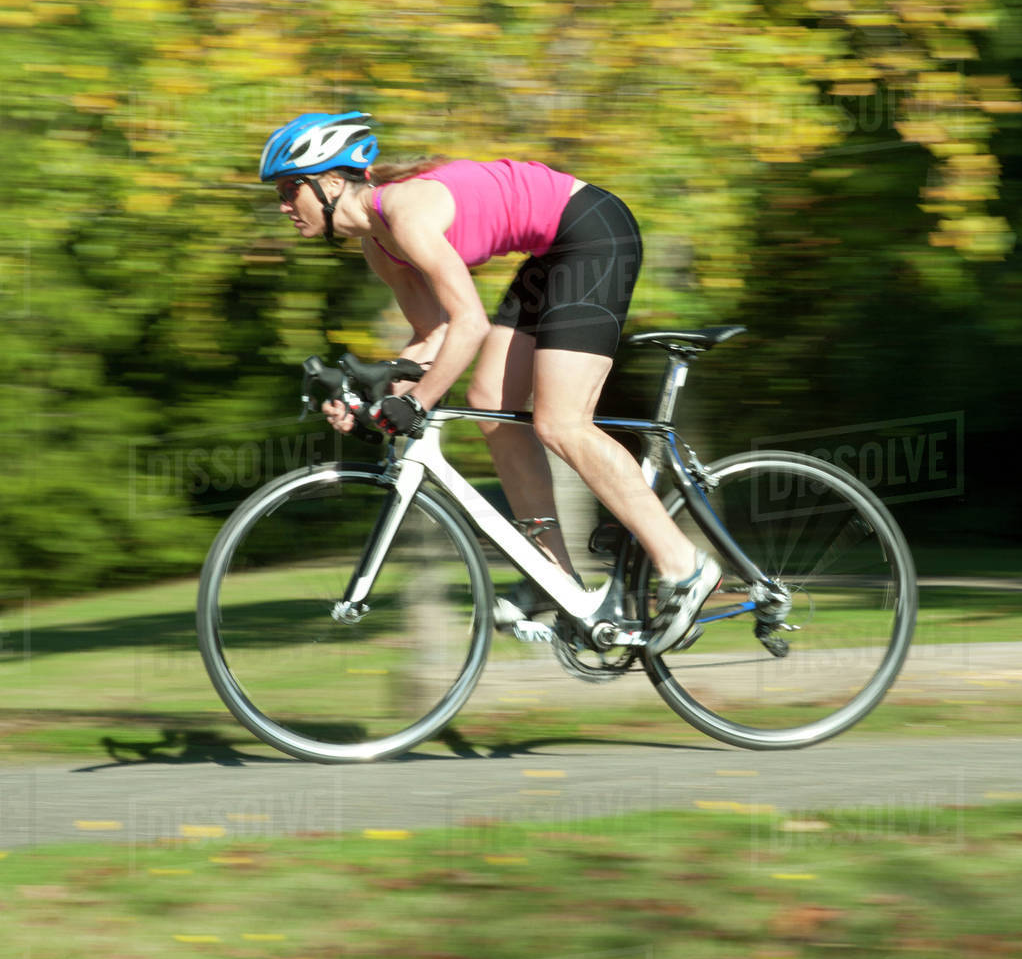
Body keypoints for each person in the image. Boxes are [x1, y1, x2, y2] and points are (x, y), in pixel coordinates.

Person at [259, 111, 719, 653]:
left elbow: (469, 324)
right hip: (553, 254)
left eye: (291, 190)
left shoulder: (403, 213)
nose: (284, 206)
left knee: (561, 422)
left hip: (593, 231)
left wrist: (420, 401)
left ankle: (685, 566)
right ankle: (557, 581)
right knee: (487, 406)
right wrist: (371, 400)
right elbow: (431, 337)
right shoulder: (377, 245)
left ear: (332, 182)